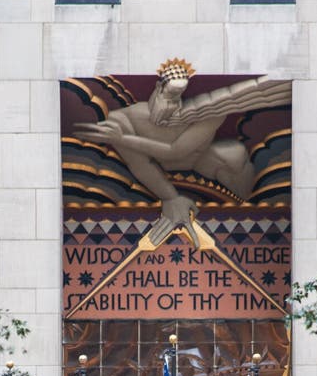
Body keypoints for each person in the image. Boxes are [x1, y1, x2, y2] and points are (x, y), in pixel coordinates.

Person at [74, 59, 290, 245]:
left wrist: (123, 140)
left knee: (234, 156)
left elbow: (175, 151)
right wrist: (170, 197)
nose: (173, 107)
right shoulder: (122, 120)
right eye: (170, 95)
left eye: (178, 98)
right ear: (158, 88)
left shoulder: (207, 113)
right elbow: (140, 164)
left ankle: (248, 219)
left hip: (198, 160)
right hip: (154, 174)